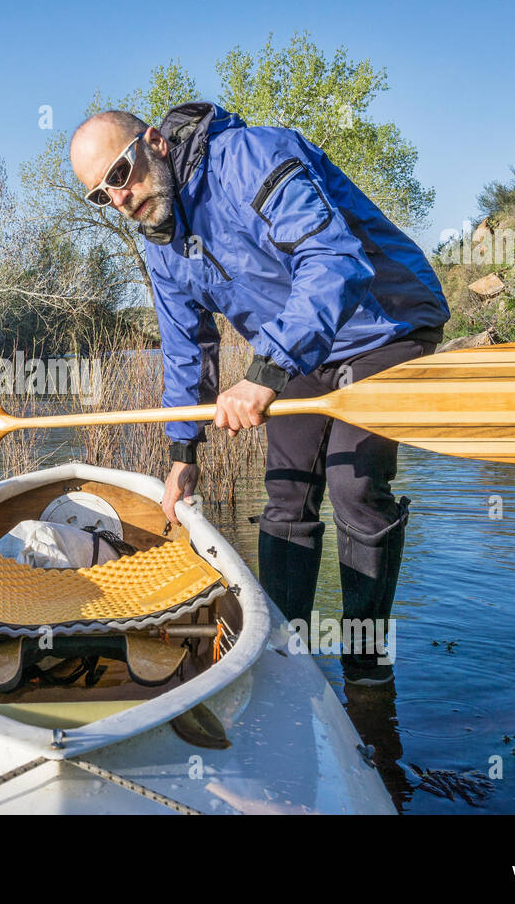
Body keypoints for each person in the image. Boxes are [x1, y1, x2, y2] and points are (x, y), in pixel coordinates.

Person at [69, 102, 450, 685]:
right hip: (301, 347)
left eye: (118, 174)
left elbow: (334, 262)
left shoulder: (250, 157)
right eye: (100, 195)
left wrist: (264, 374)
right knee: (287, 494)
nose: (117, 198)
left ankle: (366, 668)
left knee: (355, 484)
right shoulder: (161, 244)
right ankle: (282, 661)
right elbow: (185, 350)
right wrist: (182, 455)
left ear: (153, 144)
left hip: (386, 323)